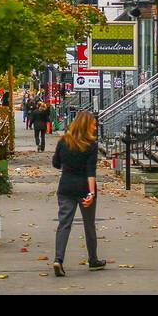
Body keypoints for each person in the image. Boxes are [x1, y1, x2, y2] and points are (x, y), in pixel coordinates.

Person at [51, 110, 105, 277]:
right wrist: (91, 193)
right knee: (89, 225)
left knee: (64, 224)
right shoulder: (91, 145)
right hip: (83, 187)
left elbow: (56, 163)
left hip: (66, 187)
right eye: (93, 124)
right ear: (87, 125)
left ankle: (58, 259)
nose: (95, 126)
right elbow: (91, 172)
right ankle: (93, 260)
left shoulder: (63, 141)